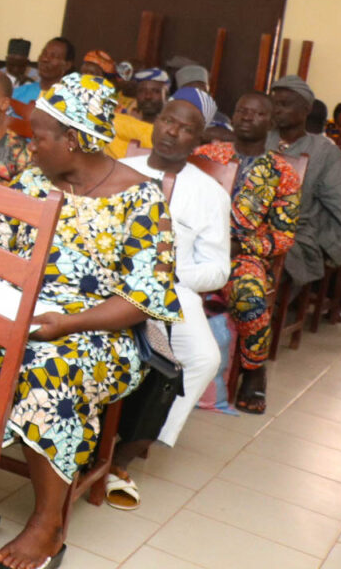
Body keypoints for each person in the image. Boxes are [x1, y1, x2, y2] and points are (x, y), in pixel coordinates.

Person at [0, 73, 180, 569]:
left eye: (39, 135)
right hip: (14, 304)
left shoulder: (141, 199)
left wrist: (67, 323)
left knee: (44, 367)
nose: (29, 144)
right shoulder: (31, 181)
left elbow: (142, 301)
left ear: (72, 139)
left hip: (95, 330)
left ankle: (47, 523)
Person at [108, 99, 229, 506]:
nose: (173, 132)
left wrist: (171, 273)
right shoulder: (120, 171)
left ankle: (129, 452)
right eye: (167, 120)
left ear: (199, 139)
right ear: (154, 123)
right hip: (113, 279)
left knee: (205, 358)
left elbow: (218, 269)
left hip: (176, 288)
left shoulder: (211, 193)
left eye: (186, 128)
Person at [197, 92, 301, 414]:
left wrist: (243, 246)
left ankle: (254, 371)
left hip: (243, 256)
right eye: (241, 111)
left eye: (256, 114)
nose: (246, 117)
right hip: (195, 246)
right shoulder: (206, 155)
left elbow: (282, 237)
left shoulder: (282, 173)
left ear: (271, 123)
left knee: (249, 295)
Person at [269, 75, 341, 305]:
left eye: (284, 105)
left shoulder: (324, 151)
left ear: (305, 110)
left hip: (297, 229)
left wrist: (336, 246)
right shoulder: (263, 139)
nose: (277, 110)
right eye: (274, 103)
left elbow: (340, 203)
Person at [107, 67, 167, 158]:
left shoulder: (173, 130)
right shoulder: (119, 125)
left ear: (166, 95)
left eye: (155, 91)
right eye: (142, 91)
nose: (148, 96)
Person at [13, 37, 75, 105]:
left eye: (53, 56)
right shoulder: (18, 93)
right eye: (44, 53)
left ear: (67, 65)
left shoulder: (71, 101)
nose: (45, 59)